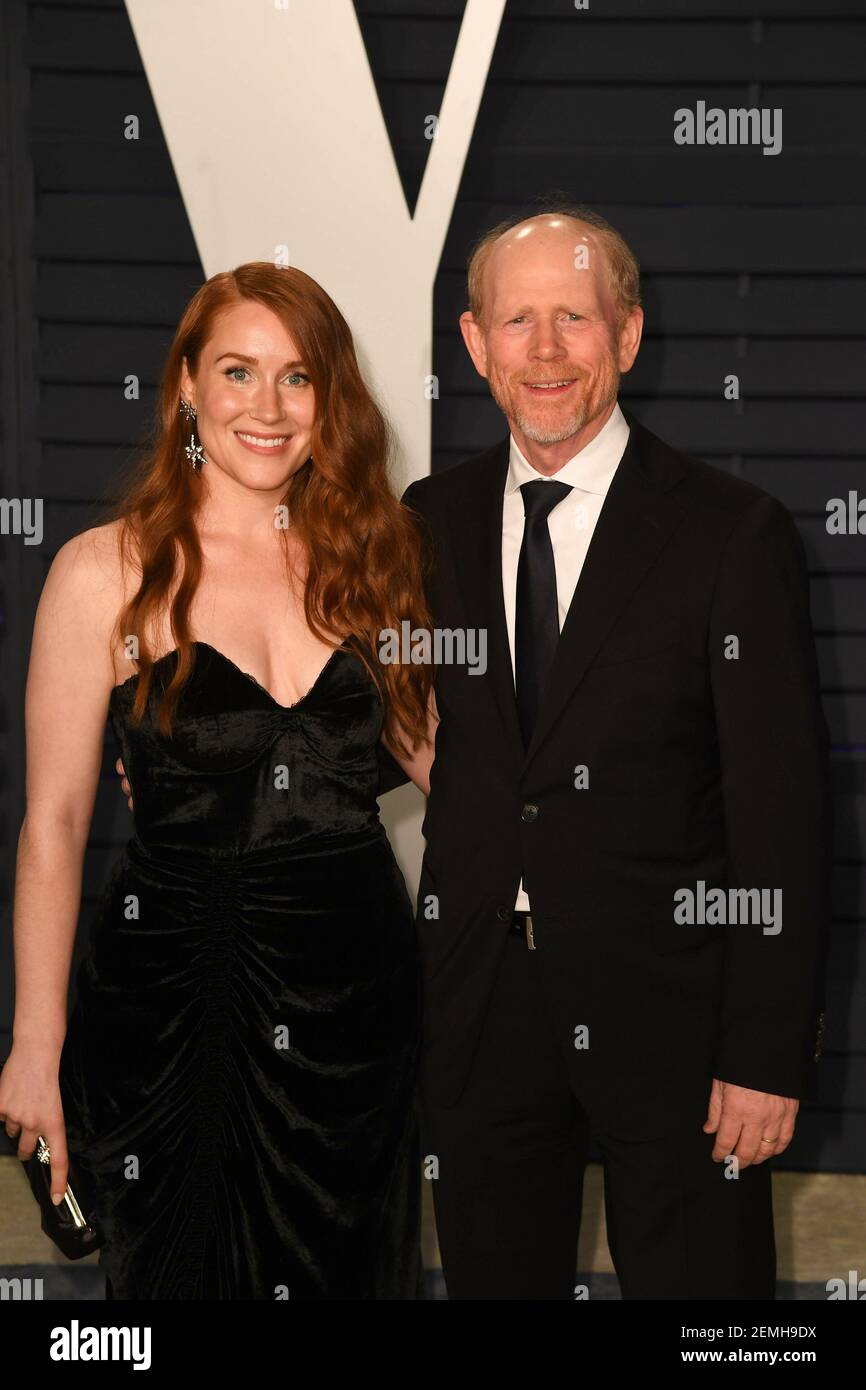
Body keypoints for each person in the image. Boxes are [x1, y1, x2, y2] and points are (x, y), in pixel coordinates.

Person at [396, 204, 831, 1299]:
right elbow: (377, 722)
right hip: (481, 1017)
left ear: (626, 337)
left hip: (678, 1027)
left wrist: (762, 1053)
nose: (543, 351)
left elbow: (780, 813)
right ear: (473, 343)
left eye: (574, 319)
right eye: (517, 321)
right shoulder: (423, 522)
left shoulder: (729, 531)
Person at [0, 261, 438, 1300]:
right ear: (186, 388)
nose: (268, 406)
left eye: (298, 378)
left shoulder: (376, 564)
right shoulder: (103, 570)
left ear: (329, 398)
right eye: (237, 371)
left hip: (354, 1011)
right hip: (169, 1006)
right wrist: (33, 1044)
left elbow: (459, 776)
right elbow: (55, 825)